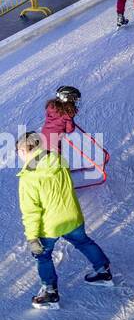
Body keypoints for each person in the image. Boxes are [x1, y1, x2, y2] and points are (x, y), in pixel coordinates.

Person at [18, 131, 112, 308]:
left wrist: (32, 237)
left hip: (50, 225)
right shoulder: (58, 159)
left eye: (19, 151)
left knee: (43, 256)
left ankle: (50, 292)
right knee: (84, 242)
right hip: (72, 215)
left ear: (24, 151)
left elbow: (31, 211)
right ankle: (103, 271)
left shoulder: (29, 177)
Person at [41, 84, 81, 154]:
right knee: (55, 160)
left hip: (43, 136)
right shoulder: (67, 114)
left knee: (44, 156)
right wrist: (70, 118)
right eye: (74, 99)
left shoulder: (51, 107)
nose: (75, 103)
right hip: (54, 143)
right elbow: (69, 129)